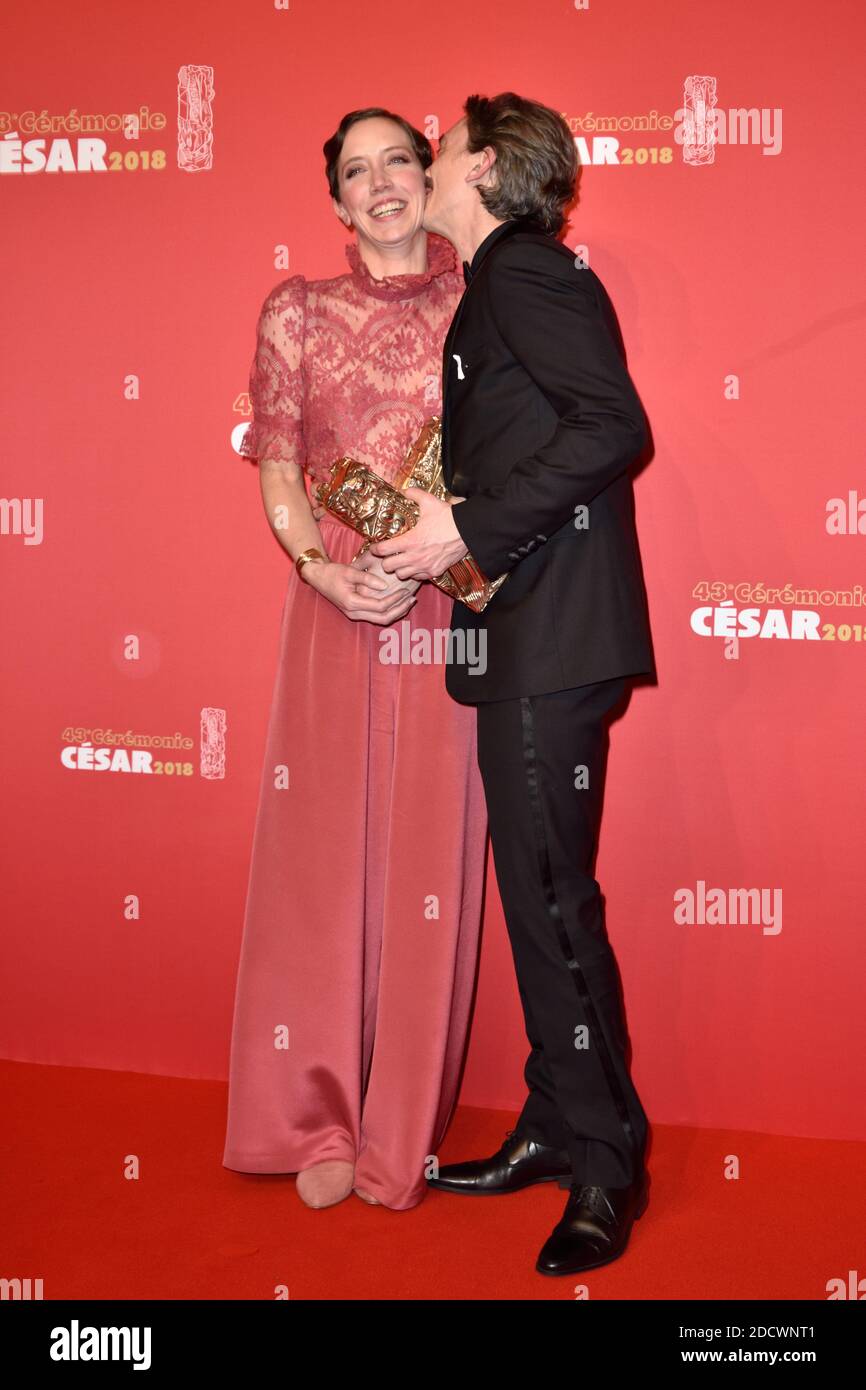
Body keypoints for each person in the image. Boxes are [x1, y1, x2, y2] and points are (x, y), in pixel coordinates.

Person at [371, 92, 655, 1272]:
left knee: (550, 901)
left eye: (436, 151)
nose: (426, 164)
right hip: (523, 640)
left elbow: (611, 427)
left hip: (553, 641)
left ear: (483, 168)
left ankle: (605, 1158)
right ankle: (552, 1120)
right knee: (539, 896)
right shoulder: (500, 286)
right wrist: (447, 531)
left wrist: (464, 528)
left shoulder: (524, 273)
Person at [223, 108, 488, 1213]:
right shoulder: (295, 310)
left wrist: (450, 547)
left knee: (431, 853)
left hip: (457, 595)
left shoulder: (488, 298)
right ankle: (313, 1109)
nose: (379, 183)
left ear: (426, 178)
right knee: (323, 855)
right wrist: (320, 572)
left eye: (397, 161)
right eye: (354, 171)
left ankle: (399, 1127)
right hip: (337, 596)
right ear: (334, 201)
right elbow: (277, 463)